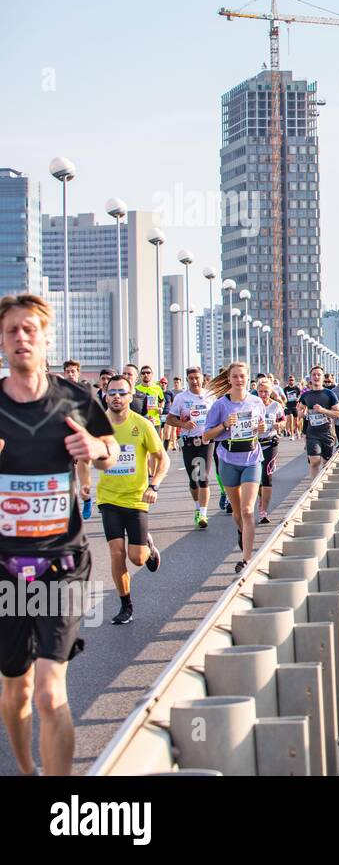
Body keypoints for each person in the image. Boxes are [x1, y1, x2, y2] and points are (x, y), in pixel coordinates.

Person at [0, 295, 118, 777]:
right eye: (12, 330)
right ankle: (27, 769)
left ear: (47, 338)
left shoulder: (74, 398)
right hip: (5, 567)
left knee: (50, 689)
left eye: (31, 329)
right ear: (2, 341)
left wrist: (95, 446)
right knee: (17, 688)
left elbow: (111, 448)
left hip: (63, 564)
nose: (22, 338)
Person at [96, 374, 168, 625]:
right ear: (106, 394)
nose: (116, 397)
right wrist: (83, 484)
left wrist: (154, 485)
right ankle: (126, 605)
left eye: (122, 393)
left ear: (130, 396)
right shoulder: (97, 425)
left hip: (137, 498)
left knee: (136, 557)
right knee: (116, 553)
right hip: (109, 498)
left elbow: (163, 459)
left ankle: (147, 549)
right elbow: (84, 459)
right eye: (112, 392)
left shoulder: (142, 425)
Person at [202, 362, 267, 574]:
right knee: (238, 513)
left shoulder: (257, 402)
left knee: (248, 510)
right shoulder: (220, 405)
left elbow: (262, 428)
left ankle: (246, 559)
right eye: (235, 377)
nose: (239, 380)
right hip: (228, 459)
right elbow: (206, 436)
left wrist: (262, 428)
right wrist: (224, 425)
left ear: (249, 379)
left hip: (252, 457)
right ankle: (242, 533)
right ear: (228, 379)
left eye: (243, 376)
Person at [165, 366, 215, 530]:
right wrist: (183, 424)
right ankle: (196, 507)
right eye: (191, 378)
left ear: (202, 378)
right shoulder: (181, 398)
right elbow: (170, 419)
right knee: (194, 480)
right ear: (187, 380)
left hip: (206, 440)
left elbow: (218, 415)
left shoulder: (210, 396)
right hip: (188, 441)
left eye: (197, 378)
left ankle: (203, 513)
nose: (194, 381)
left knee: (204, 477)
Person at [298, 366, 339, 480]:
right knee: (314, 461)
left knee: (327, 463)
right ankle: (313, 489)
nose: (316, 377)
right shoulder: (306, 395)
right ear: (310, 378)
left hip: (327, 432)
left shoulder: (329, 394)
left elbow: (338, 414)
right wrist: (301, 413)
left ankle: (325, 485)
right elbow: (300, 409)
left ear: (323, 377)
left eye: (319, 375)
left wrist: (323, 410)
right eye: (314, 375)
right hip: (312, 433)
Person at [255, 377, 285, 525]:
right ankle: (260, 501)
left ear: (270, 391)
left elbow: (283, 421)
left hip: (270, 443)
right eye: (260, 391)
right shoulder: (252, 405)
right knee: (256, 478)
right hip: (254, 445)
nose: (263, 394)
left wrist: (279, 426)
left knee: (267, 476)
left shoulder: (276, 406)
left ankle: (263, 510)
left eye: (266, 391)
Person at [134, 365, 166, 435]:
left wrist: (161, 408)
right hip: (141, 422)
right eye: (143, 373)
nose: (146, 375)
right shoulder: (136, 389)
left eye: (148, 373)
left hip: (155, 422)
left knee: (155, 445)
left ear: (152, 374)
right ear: (140, 375)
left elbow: (162, 400)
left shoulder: (157, 388)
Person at [283, 375, 302, 440]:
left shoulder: (297, 388)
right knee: (290, 420)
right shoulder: (285, 389)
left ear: (294, 381)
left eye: (292, 380)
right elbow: (283, 397)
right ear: (288, 381)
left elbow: (300, 395)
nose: (291, 381)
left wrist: (298, 399)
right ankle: (292, 435)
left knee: (296, 422)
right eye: (290, 380)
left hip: (295, 406)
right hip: (288, 406)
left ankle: (297, 431)